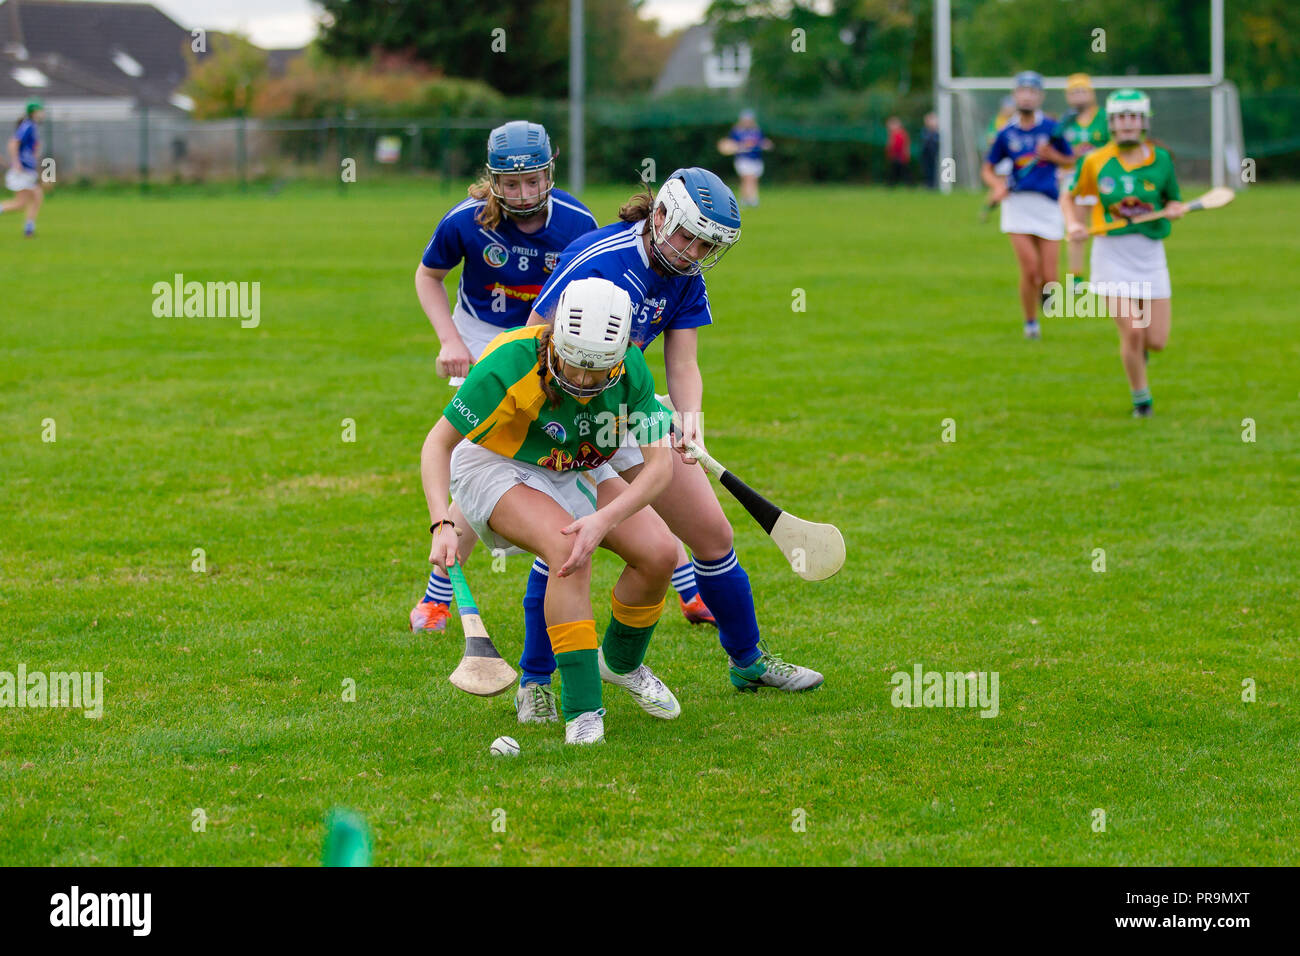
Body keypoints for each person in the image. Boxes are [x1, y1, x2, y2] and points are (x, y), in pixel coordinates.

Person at [510, 167, 824, 725]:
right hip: (564, 413)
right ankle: (535, 681)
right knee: (563, 551)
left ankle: (748, 662)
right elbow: (531, 344)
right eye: (688, 236)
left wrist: (689, 420)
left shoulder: (688, 279)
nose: (694, 251)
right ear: (659, 217)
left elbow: (683, 362)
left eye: (707, 245)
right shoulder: (599, 257)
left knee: (712, 532)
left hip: (630, 409)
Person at [410, 121, 716, 634]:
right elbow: (428, 277)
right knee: (489, 457)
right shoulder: (463, 221)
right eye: (511, 183)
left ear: (550, 172)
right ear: (493, 180)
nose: (524, 193)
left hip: (562, 337)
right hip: (490, 338)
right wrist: (449, 339)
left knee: (603, 456)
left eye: (534, 180)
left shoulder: (576, 219)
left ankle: (681, 580)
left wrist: (621, 375)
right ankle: (440, 591)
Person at [422, 278, 680, 744]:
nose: (582, 382)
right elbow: (437, 445)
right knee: (568, 552)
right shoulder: (509, 360)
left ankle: (620, 665)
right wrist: (442, 521)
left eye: (597, 373)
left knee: (661, 553)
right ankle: (584, 713)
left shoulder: (634, 371)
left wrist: (604, 520)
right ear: (555, 338)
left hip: (574, 463)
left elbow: (660, 468)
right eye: (573, 366)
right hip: (495, 465)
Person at [1062, 89, 1185, 418]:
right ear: (1112, 124)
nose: (1127, 124)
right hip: (1110, 254)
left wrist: (1174, 209)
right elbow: (1070, 196)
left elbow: (1172, 198)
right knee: (1132, 329)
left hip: (1150, 255)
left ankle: (1137, 356)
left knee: (1155, 340)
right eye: (1120, 118)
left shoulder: (1161, 160)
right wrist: (1073, 224)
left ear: (1143, 121)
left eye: (1133, 117)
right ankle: (1141, 400)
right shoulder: (1095, 160)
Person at [980, 71, 1074, 339]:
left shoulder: (1051, 129)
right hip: (1018, 205)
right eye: (1022, 90)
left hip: (1048, 205)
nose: (1027, 96)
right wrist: (997, 186)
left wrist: (1051, 155)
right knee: (1030, 270)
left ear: (1040, 97)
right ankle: (1031, 323)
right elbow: (987, 168)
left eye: (1032, 92)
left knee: (1049, 277)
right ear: (1015, 94)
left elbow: (1071, 161)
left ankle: (1046, 300)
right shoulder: (1006, 133)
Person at [1055, 74, 1110, 292]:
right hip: (1075, 180)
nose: (1079, 96)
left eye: (1083, 91)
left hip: (1102, 180)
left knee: (1103, 226)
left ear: (1091, 94)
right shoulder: (1065, 122)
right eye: (1074, 92)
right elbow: (1057, 150)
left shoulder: (1105, 118)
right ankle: (1076, 276)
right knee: (1076, 228)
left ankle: (1105, 271)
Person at [1, 101, 45, 238]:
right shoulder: (28, 125)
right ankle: (29, 230)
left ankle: (29, 229)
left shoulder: (32, 126)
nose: (43, 113)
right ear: (34, 112)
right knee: (23, 202)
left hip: (27, 169)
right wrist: (16, 162)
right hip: (22, 170)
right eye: (41, 110)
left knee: (33, 198)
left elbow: (31, 147)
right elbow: (13, 143)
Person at [718, 110, 772, 207]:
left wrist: (765, 144)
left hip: (756, 158)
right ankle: (746, 199)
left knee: (753, 179)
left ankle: (752, 198)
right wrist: (741, 146)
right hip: (743, 159)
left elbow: (762, 142)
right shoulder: (736, 132)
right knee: (747, 178)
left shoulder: (757, 131)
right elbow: (730, 145)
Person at [885, 117, 911, 186]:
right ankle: (891, 184)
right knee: (895, 171)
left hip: (900, 156)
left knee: (903, 171)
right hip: (895, 155)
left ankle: (909, 184)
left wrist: (905, 154)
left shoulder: (901, 133)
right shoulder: (892, 134)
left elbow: (904, 145)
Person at [920, 112, 941, 189]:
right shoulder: (925, 131)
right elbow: (924, 141)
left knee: (934, 169)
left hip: (935, 154)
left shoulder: (938, 132)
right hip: (926, 154)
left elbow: (936, 141)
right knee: (927, 170)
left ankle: (934, 184)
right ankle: (929, 184)